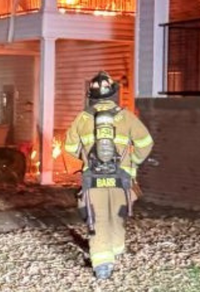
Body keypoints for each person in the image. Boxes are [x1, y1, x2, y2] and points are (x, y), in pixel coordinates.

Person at [63, 71, 154, 280]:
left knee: (98, 218)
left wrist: (85, 156)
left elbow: (69, 146)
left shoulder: (83, 118)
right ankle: (115, 250)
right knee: (118, 215)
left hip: (93, 178)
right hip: (122, 178)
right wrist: (133, 162)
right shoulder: (126, 116)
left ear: (91, 96)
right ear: (113, 94)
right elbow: (146, 144)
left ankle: (102, 264)